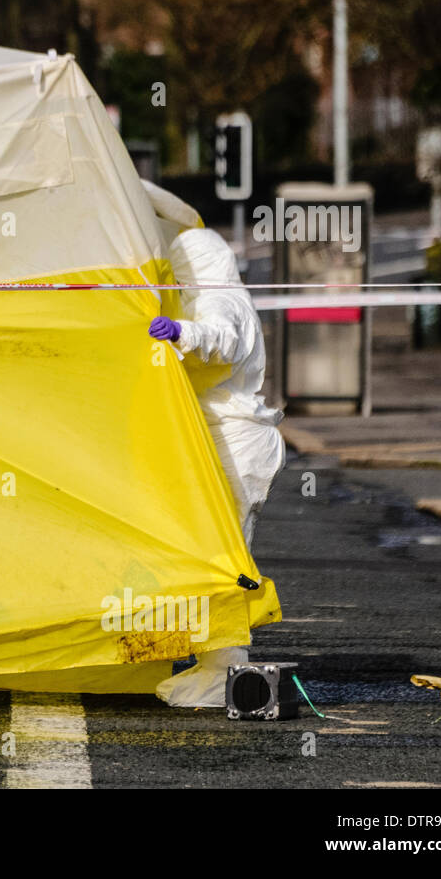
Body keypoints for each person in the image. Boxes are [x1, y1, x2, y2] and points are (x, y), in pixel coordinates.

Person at [147, 227, 285, 708]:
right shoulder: (221, 297)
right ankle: (210, 662)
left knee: (223, 556)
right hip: (232, 440)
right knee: (214, 551)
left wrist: (183, 334)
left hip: (236, 441)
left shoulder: (219, 303)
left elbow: (219, 340)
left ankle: (222, 668)